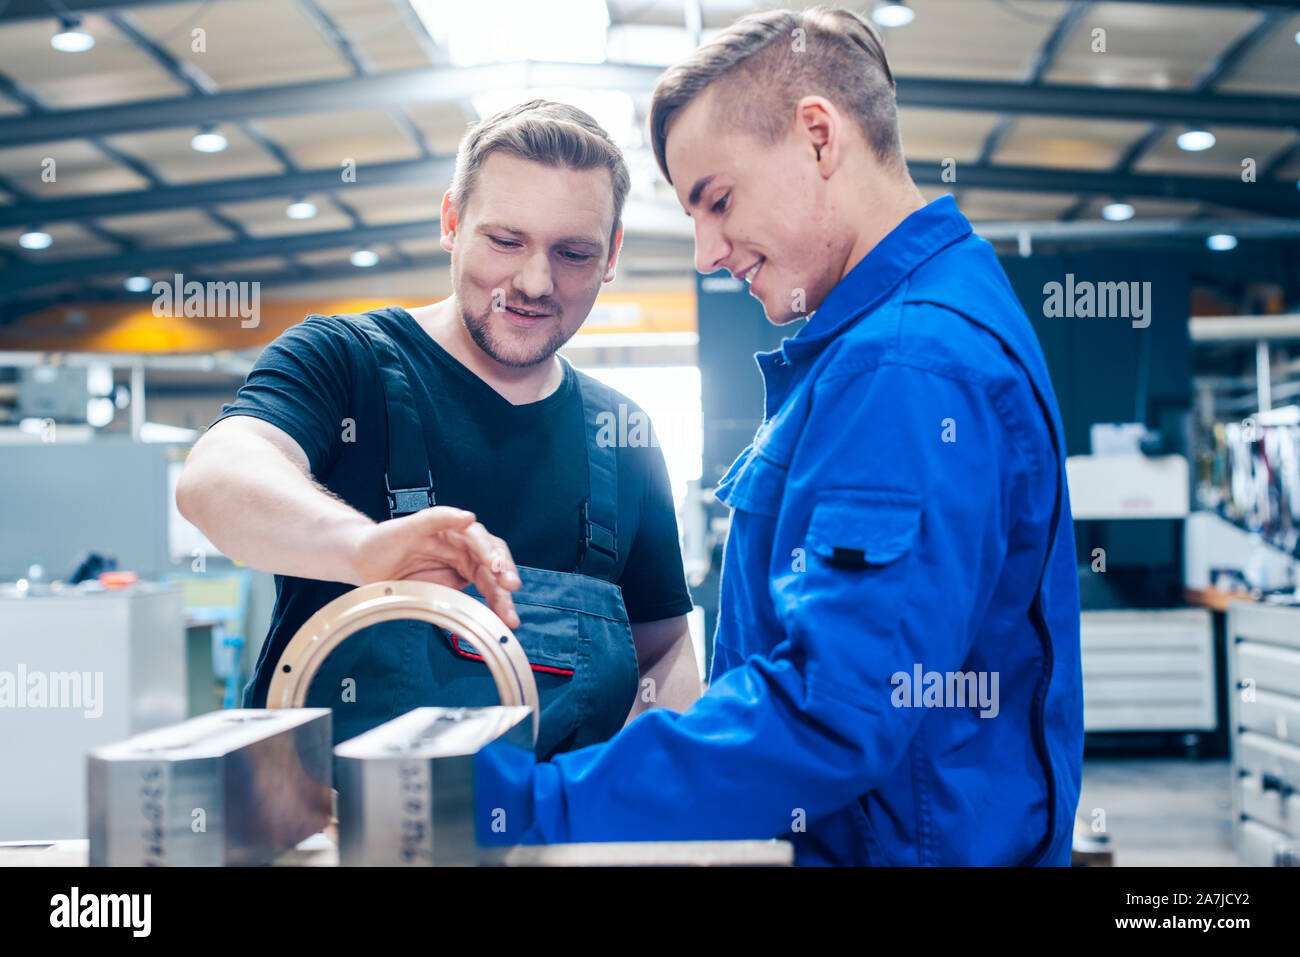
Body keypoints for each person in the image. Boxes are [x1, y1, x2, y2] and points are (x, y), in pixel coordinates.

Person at [474, 6, 1083, 865]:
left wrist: (533, 802)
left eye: (717, 201)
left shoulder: (905, 366)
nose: (704, 252)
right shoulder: (913, 328)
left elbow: (830, 711)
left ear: (819, 138)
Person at [176, 100, 701, 760]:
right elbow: (215, 478)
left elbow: (664, 648)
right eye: (505, 241)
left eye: (572, 252)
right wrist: (363, 549)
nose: (535, 282)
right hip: (340, 843)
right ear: (452, 221)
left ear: (612, 253)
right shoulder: (342, 360)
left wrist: (642, 796)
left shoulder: (621, 435)